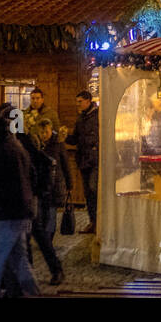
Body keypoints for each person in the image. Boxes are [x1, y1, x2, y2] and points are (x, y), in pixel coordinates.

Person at [0, 116, 40, 298]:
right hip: (22, 211)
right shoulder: (18, 148)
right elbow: (33, 176)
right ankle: (34, 291)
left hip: (6, 212)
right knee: (19, 258)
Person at [34, 118, 69, 285]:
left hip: (55, 186)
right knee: (42, 215)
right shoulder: (37, 146)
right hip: (42, 189)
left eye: (46, 132)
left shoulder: (58, 144)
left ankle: (48, 240)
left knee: (52, 216)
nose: (43, 135)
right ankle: (47, 242)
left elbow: (65, 164)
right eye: (41, 132)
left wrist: (69, 185)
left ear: (50, 130)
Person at [66, 90, 99, 232]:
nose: (77, 104)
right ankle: (93, 221)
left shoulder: (97, 116)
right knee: (88, 193)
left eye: (80, 101)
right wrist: (63, 136)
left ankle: (98, 221)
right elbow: (75, 138)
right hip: (84, 159)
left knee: (94, 189)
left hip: (95, 159)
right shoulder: (81, 118)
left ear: (88, 101)